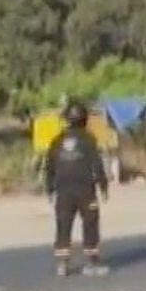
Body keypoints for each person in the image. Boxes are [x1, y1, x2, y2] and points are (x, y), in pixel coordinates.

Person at [44, 99, 110, 277]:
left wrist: (49, 188)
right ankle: (92, 263)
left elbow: (49, 166)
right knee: (90, 223)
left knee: (63, 224)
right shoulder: (89, 139)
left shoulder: (57, 141)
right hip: (85, 189)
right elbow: (97, 165)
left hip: (63, 190)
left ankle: (63, 264)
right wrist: (103, 186)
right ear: (85, 119)